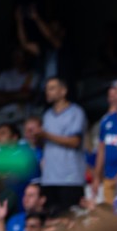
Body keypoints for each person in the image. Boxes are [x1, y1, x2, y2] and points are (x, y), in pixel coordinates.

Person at [35, 77, 86, 214]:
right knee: (52, 220)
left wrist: (46, 135)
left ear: (63, 91)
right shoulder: (47, 115)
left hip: (70, 179)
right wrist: (38, 137)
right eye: (46, 89)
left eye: (52, 88)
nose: (47, 92)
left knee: (70, 220)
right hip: (49, 178)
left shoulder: (76, 112)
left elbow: (75, 141)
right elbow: (45, 143)